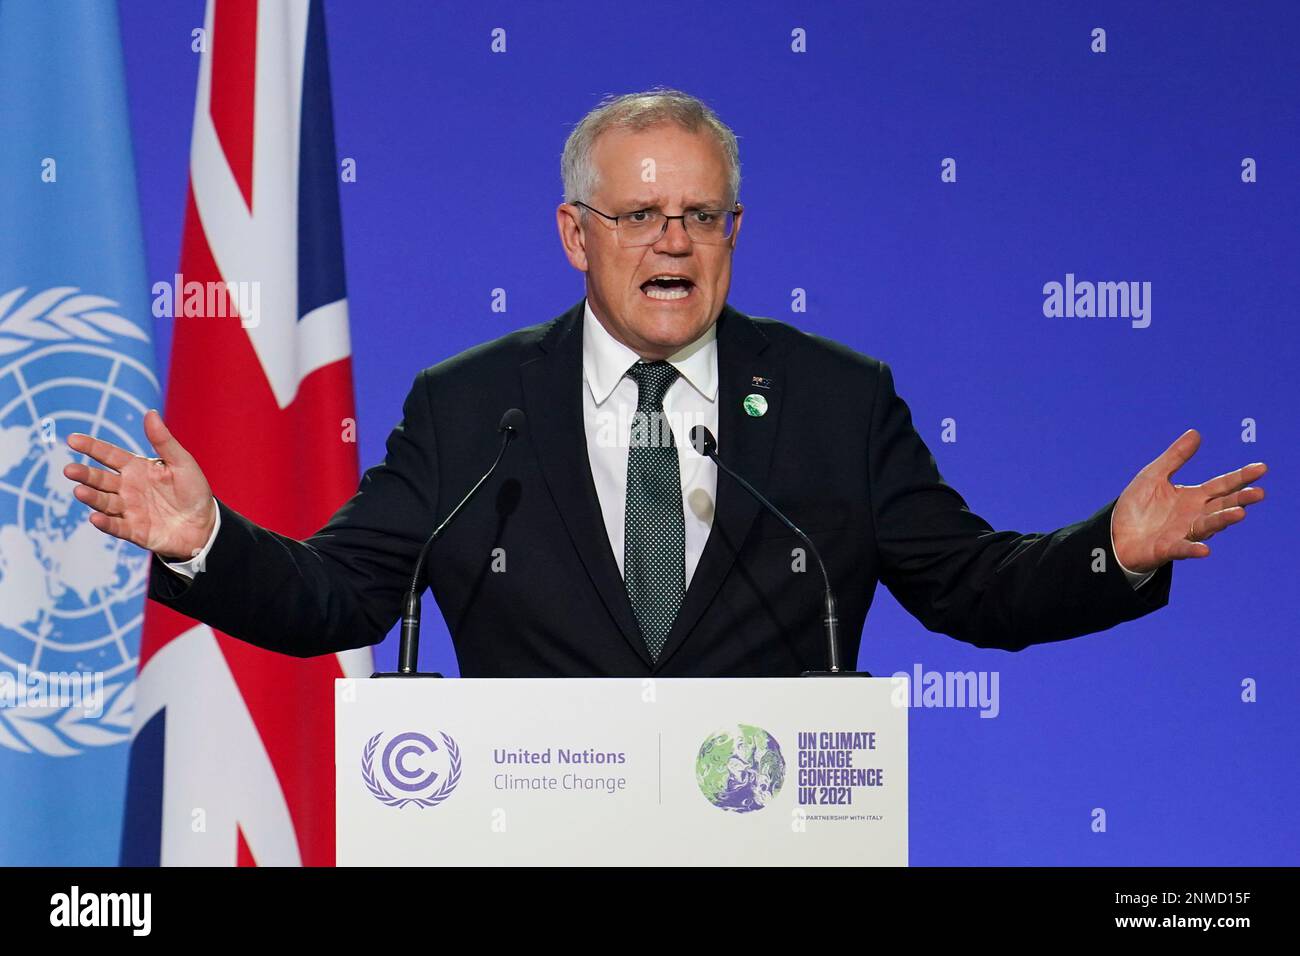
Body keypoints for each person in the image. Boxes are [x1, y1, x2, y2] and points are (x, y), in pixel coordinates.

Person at [63, 89, 1266, 677]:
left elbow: (972, 587)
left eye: (699, 214)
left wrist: (1110, 548)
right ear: (574, 234)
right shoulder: (475, 405)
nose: (672, 242)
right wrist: (208, 538)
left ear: (735, 230)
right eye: (638, 214)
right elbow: (343, 594)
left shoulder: (836, 402)